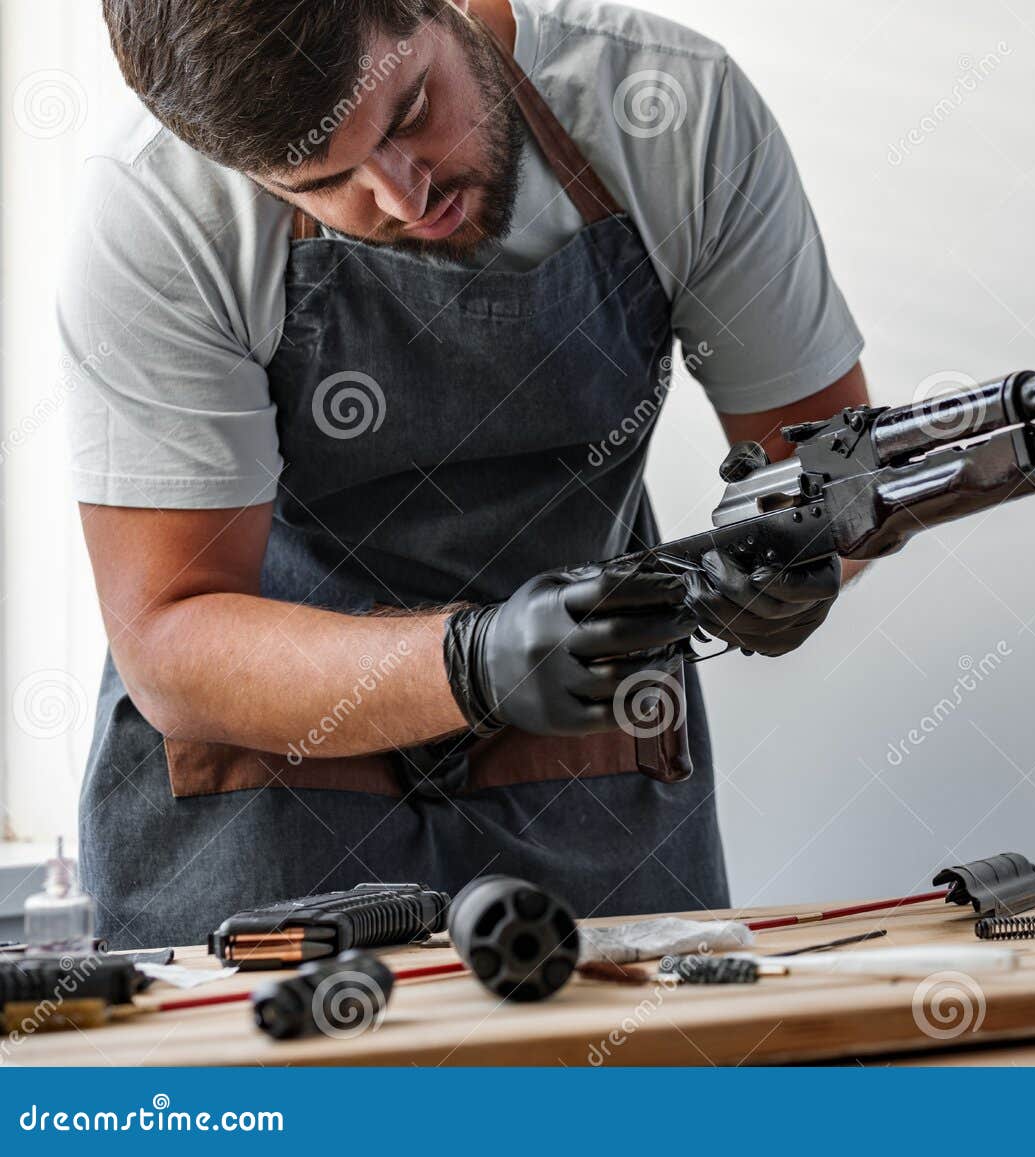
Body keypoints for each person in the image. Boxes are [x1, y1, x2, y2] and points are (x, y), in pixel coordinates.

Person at [61, 0, 867, 947]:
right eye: (325, 181)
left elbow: (823, 476)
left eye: (408, 113)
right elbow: (170, 628)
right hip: (266, 780)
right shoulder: (158, 206)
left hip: (586, 758)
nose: (404, 195)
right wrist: (472, 659)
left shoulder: (670, 109)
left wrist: (803, 561)